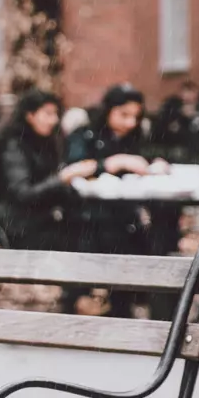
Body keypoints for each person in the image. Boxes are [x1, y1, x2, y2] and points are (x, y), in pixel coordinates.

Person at [63, 84, 156, 315]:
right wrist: (112, 164)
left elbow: (151, 157)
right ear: (109, 111)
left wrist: (156, 164)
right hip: (87, 215)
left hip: (123, 215)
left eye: (135, 116)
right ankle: (89, 301)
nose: (130, 123)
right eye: (124, 115)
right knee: (106, 240)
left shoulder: (135, 138)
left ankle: (125, 304)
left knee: (146, 237)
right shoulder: (86, 134)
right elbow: (73, 167)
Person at [0, 89, 89, 251]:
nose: (54, 120)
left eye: (56, 114)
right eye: (48, 114)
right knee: (83, 241)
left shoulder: (42, 142)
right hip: (20, 227)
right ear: (30, 116)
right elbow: (23, 193)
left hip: (38, 221)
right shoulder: (14, 146)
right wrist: (62, 178)